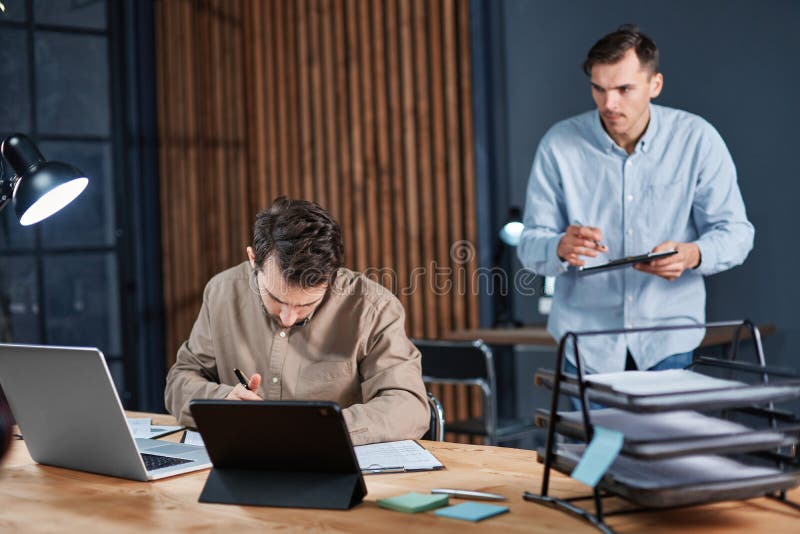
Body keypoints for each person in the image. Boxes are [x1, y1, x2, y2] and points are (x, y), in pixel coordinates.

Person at [517, 25, 754, 375]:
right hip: (585, 345)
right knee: (596, 434)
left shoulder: (697, 140)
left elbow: (737, 233)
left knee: (666, 433)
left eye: (623, 89)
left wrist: (692, 255)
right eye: (598, 89)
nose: (609, 104)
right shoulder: (558, 144)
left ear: (654, 85)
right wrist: (559, 247)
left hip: (668, 338)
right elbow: (529, 245)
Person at [165, 197, 429, 445]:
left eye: (305, 305)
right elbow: (181, 381)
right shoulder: (221, 293)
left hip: (333, 464)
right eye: (276, 299)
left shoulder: (373, 308)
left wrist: (325, 428)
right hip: (242, 461)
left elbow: (409, 406)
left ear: (332, 275)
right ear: (253, 258)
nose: (288, 318)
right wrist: (224, 402)